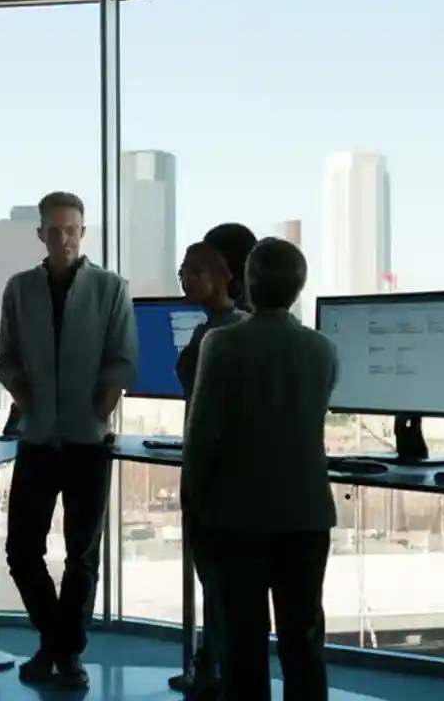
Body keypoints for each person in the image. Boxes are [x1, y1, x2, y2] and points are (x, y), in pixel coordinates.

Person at [0, 191, 139, 690]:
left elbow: (123, 359)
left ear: (83, 231)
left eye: (71, 229)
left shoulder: (110, 288)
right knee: (21, 550)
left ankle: (60, 652)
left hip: (87, 443)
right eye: (53, 231)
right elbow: (3, 356)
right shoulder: (20, 289)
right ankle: (62, 645)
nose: (63, 238)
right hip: (36, 440)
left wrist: (98, 412)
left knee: (82, 555)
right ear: (41, 234)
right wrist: (22, 392)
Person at [182, 237, 337, 701]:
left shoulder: (222, 345)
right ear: (299, 287)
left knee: (244, 646)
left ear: (247, 281)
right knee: (303, 640)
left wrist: (196, 507)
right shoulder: (322, 349)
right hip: (307, 518)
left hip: (237, 518)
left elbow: (202, 436)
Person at [168, 231, 255, 700]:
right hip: (209, 469)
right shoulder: (212, 328)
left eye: (196, 269)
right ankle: (212, 667)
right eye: (183, 270)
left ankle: (213, 671)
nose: (185, 278)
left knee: (220, 580)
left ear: (225, 276)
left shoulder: (227, 331)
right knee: (216, 580)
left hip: (215, 476)